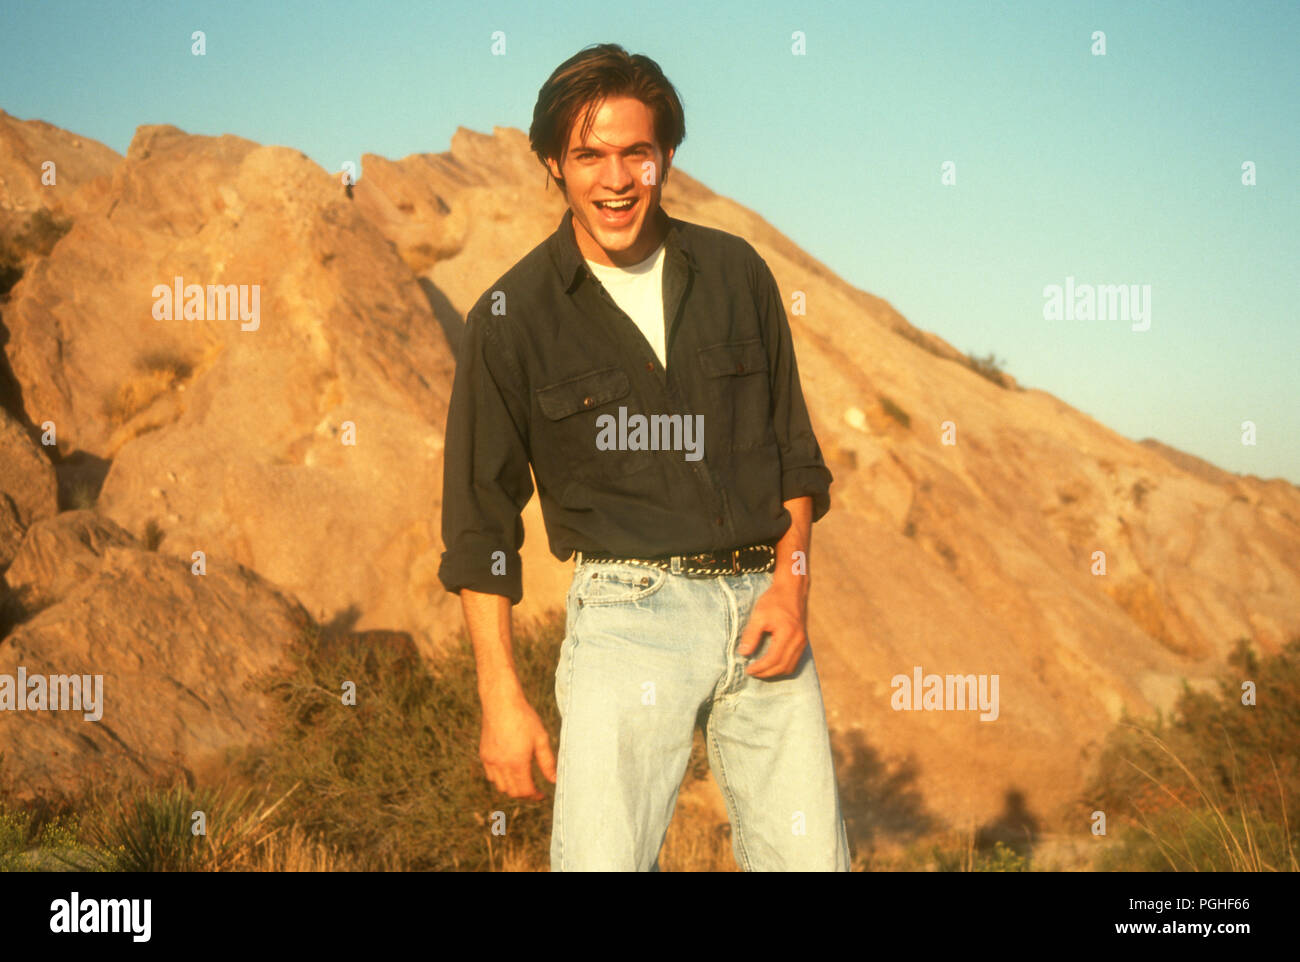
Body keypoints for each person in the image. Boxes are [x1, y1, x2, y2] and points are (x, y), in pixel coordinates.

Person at [438, 42, 850, 871]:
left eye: (636, 152)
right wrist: (500, 698)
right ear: (553, 163)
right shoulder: (511, 317)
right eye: (589, 155)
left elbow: (793, 458)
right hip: (629, 618)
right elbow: (479, 525)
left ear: (666, 157)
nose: (615, 178)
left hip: (766, 614)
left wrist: (791, 587)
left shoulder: (736, 273)